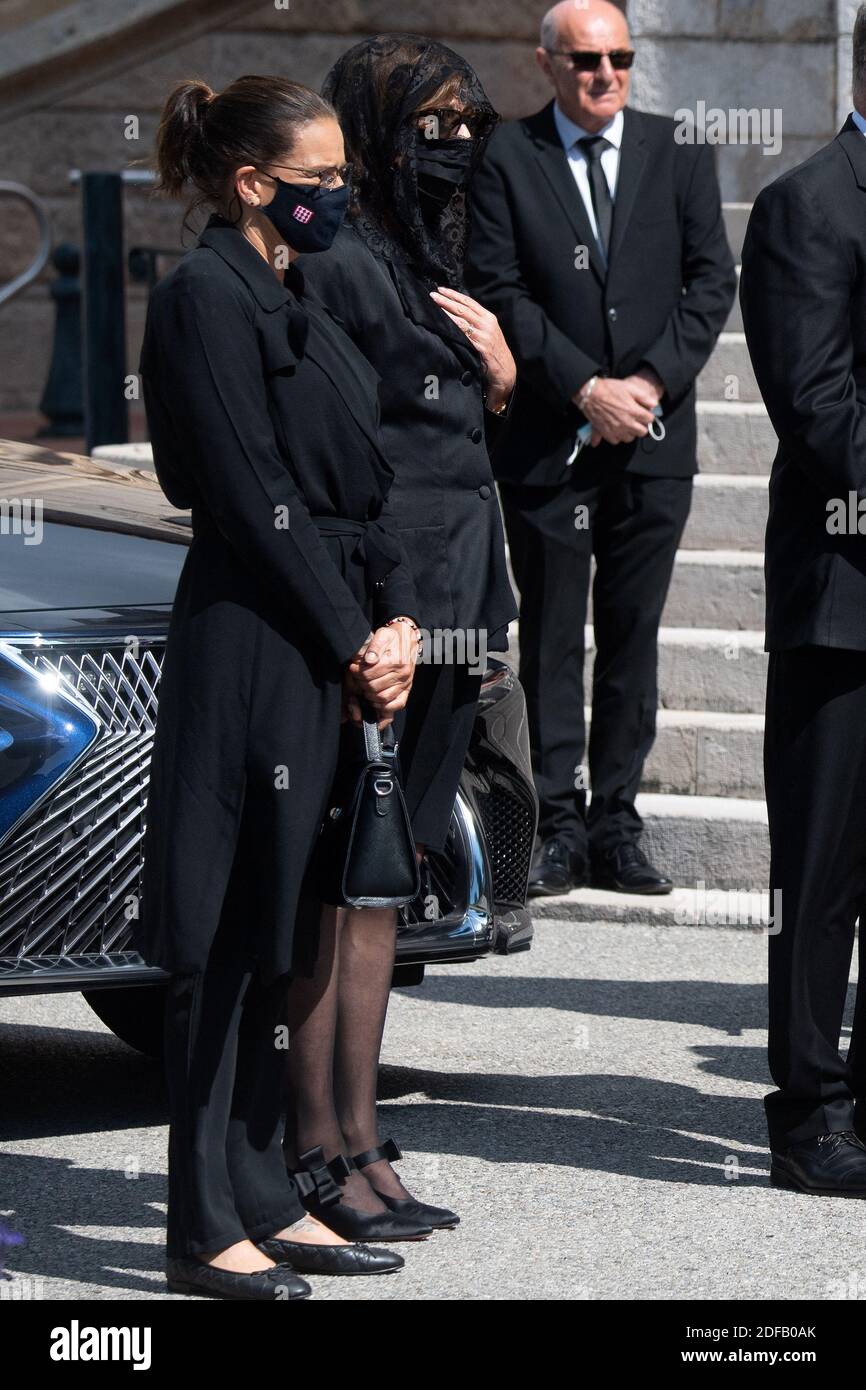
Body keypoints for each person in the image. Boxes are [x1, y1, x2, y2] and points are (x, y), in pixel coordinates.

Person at [135, 73, 423, 1299]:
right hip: (250, 637)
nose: (338, 201)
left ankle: (265, 1186)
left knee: (277, 928)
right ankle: (200, 1219)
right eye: (320, 183)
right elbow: (252, 498)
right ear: (253, 183)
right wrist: (357, 635)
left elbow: (363, 476)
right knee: (217, 932)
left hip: (322, 640)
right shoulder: (205, 292)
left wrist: (395, 616)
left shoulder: (294, 287)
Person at [281, 33, 518, 1232]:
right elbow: (339, 440)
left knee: (386, 878)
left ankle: (362, 1132)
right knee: (340, 877)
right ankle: (312, 1146)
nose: (460, 146)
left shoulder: (439, 244)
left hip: (460, 598)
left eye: (471, 124)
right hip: (387, 606)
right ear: (379, 131)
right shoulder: (339, 258)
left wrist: (505, 375)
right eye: (434, 126)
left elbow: (463, 435)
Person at [466, 0, 735, 897]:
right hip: (550, 439)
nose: (606, 73)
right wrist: (584, 386)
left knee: (633, 636)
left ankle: (618, 823)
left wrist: (647, 385)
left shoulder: (678, 149)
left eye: (620, 56)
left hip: (653, 441)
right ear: (547, 62)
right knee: (548, 635)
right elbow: (499, 288)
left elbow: (710, 281)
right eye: (586, 59)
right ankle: (554, 821)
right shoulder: (507, 155)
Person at [739, 4, 866, 1195]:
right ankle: (807, 1110)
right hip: (842, 601)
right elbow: (822, 412)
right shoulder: (807, 203)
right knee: (819, 874)